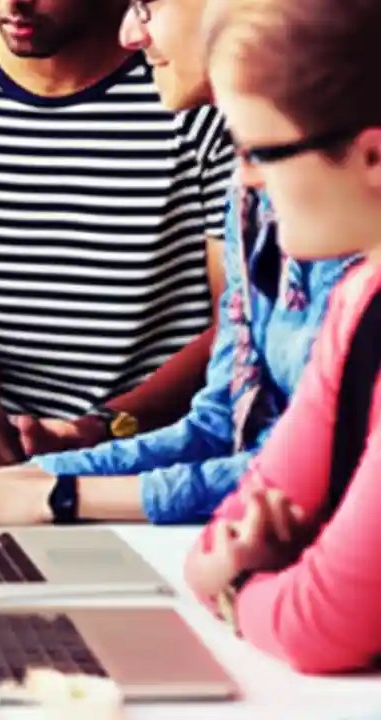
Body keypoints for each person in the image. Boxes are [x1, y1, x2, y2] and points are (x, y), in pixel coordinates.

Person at [0, 0, 357, 528]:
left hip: (192, 497)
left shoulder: (336, 237)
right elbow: (222, 422)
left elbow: (298, 475)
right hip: (154, 488)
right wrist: (24, 479)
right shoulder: (253, 200)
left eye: (146, 5)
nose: (132, 32)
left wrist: (60, 490)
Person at [0, 0, 234, 467]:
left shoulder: (188, 82)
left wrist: (99, 428)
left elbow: (239, 321)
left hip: (159, 449)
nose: (13, 5)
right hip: (0, 462)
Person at [184, 0, 381, 675]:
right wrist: (239, 565)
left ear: (374, 155)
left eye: (258, 151)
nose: (246, 179)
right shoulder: (362, 297)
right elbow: (232, 523)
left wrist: (238, 587)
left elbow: (321, 626)